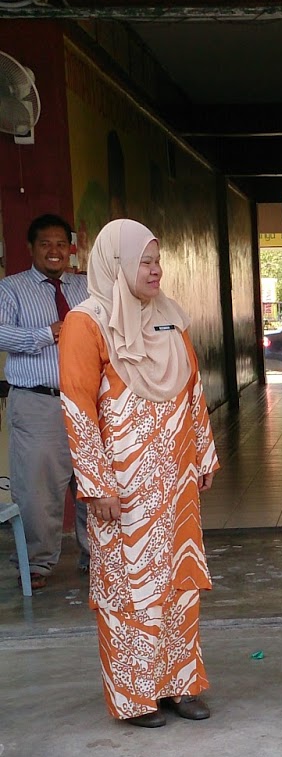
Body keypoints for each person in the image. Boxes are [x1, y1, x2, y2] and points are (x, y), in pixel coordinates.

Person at [58, 218, 218, 729]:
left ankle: (181, 684)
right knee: (130, 588)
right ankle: (135, 696)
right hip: (122, 488)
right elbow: (78, 407)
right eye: (145, 262)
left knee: (178, 582)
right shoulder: (87, 323)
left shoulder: (170, 316)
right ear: (117, 264)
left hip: (175, 482)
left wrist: (203, 456)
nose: (156, 270)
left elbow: (192, 389)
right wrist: (96, 483)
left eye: (158, 260)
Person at [0, 212, 90, 589]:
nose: (54, 252)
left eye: (60, 244)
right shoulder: (10, 289)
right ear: (30, 248)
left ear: (70, 248)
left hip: (87, 402)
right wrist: (46, 333)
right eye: (45, 244)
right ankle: (36, 563)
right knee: (37, 487)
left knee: (94, 482)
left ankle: (98, 558)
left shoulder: (85, 288)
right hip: (38, 401)